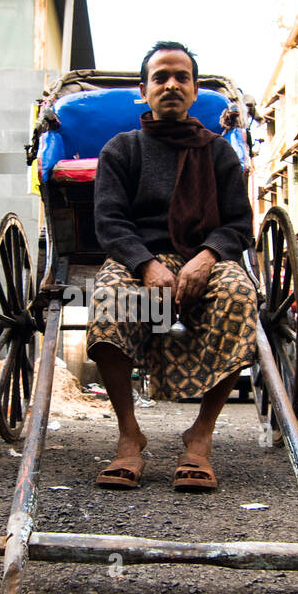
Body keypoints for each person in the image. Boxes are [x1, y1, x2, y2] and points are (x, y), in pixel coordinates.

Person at [86, 41, 258, 491]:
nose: (171, 85)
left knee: (240, 295)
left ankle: (199, 439)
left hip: (204, 258)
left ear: (195, 90)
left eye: (182, 77)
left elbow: (239, 223)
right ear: (143, 90)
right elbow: (109, 220)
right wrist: (144, 265)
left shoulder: (220, 153)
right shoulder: (120, 149)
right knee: (107, 297)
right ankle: (129, 436)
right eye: (160, 77)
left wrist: (205, 257)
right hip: (139, 256)